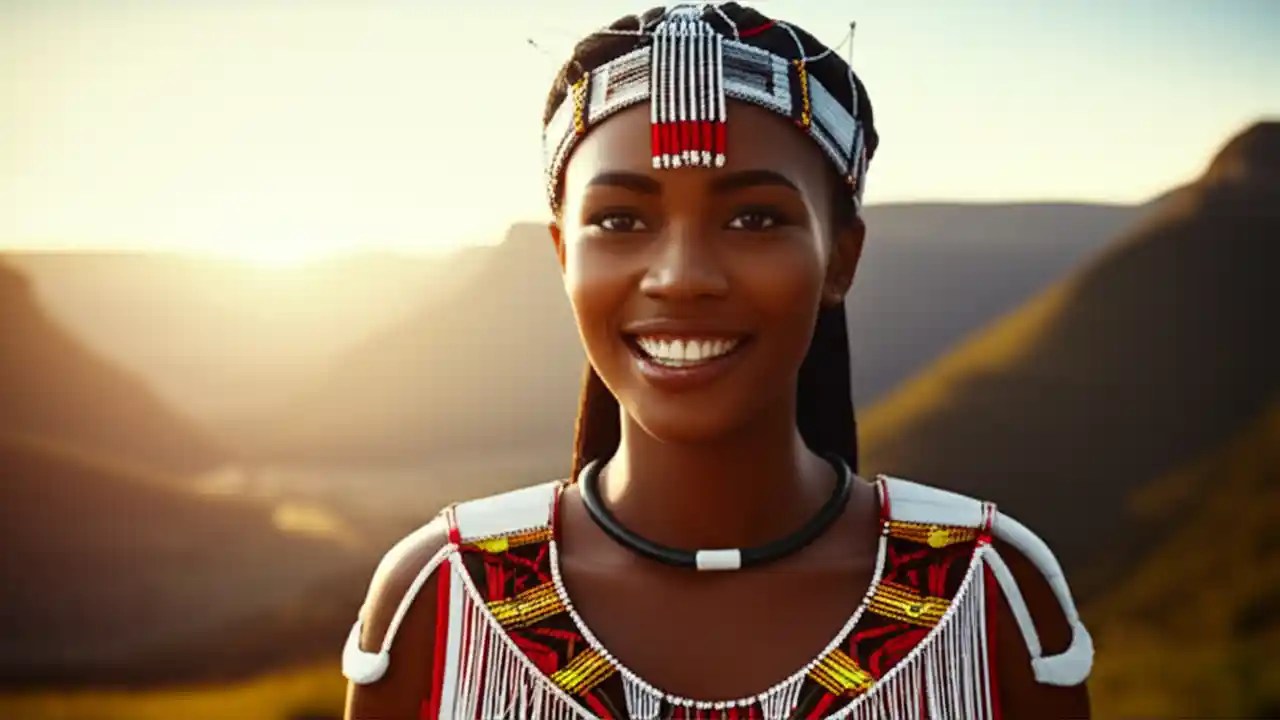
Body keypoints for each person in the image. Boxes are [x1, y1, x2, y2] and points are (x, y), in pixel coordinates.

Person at [343, 3, 1094, 718]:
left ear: (841, 257)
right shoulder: (437, 601)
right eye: (620, 220)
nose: (681, 276)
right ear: (562, 254)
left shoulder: (991, 595)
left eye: (754, 217)